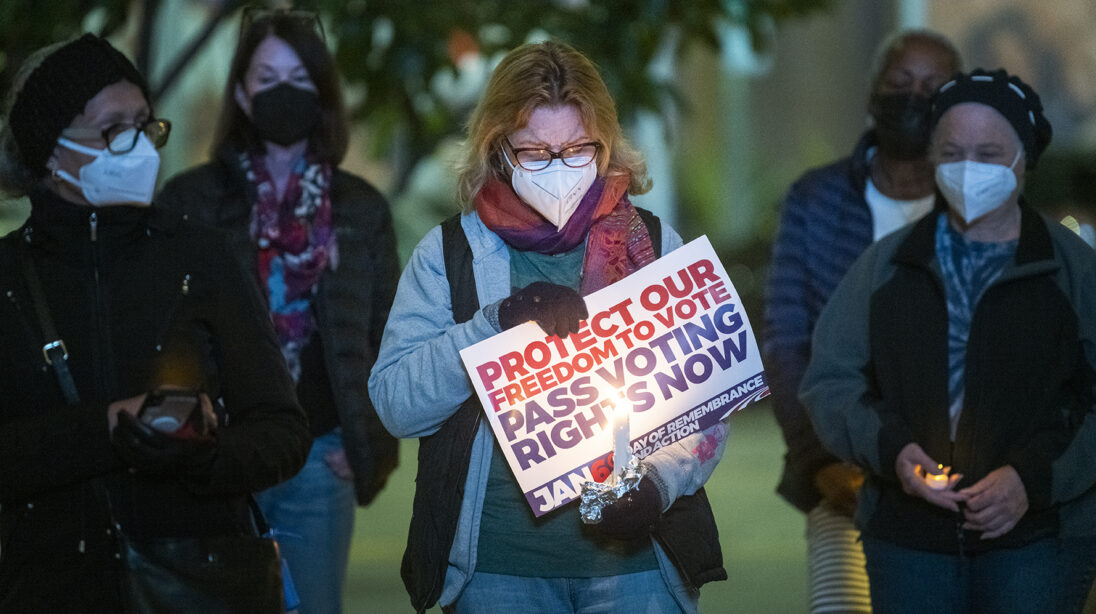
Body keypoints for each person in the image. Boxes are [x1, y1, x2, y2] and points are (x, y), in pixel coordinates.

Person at [368, 40, 730, 614]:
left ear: (604, 144)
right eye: (536, 152)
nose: (559, 168)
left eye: (577, 149)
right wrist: (491, 328)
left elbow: (706, 402)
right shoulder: (449, 255)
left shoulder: (654, 247)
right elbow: (395, 404)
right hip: (497, 570)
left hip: (636, 571)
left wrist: (658, 485)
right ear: (498, 150)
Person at [0, 34, 311, 611]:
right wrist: (109, 430)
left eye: (146, 124)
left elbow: (282, 433)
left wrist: (204, 454)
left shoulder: (200, 256)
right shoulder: (10, 278)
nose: (142, 145)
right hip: (50, 587)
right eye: (116, 130)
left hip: (197, 583)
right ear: (50, 151)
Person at [800, 68, 1096, 614]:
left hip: (1042, 541)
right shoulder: (885, 267)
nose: (970, 169)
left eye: (989, 152)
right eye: (952, 150)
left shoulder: (1075, 272)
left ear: (1024, 159)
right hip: (908, 542)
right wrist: (892, 453)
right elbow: (830, 381)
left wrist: (1032, 481)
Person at [157, 8, 400, 614]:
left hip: (322, 457)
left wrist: (368, 437)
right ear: (240, 90)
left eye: (298, 77)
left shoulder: (360, 208)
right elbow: (164, 331)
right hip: (219, 460)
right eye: (267, 77)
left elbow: (388, 334)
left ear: (321, 91)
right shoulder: (191, 201)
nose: (282, 92)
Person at [762, 29, 961, 613]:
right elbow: (787, 341)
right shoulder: (816, 200)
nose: (914, 99)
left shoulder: (981, 206)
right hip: (846, 471)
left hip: (963, 477)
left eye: (933, 88)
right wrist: (819, 459)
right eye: (900, 85)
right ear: (873, 95)